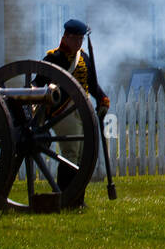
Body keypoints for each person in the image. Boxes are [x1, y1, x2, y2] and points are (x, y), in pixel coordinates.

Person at [33, 18, 109, 208]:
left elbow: (92, 84)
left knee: (84, 155)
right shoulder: (53, 58)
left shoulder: (84, 58)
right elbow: (38, 83)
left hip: (82, 109)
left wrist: (102, 98)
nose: (79, 43)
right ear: (65, 37)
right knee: (71, 153)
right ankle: (64, 197)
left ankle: (77, 199)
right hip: (62, 110)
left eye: (81, 39)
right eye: (75, 39)